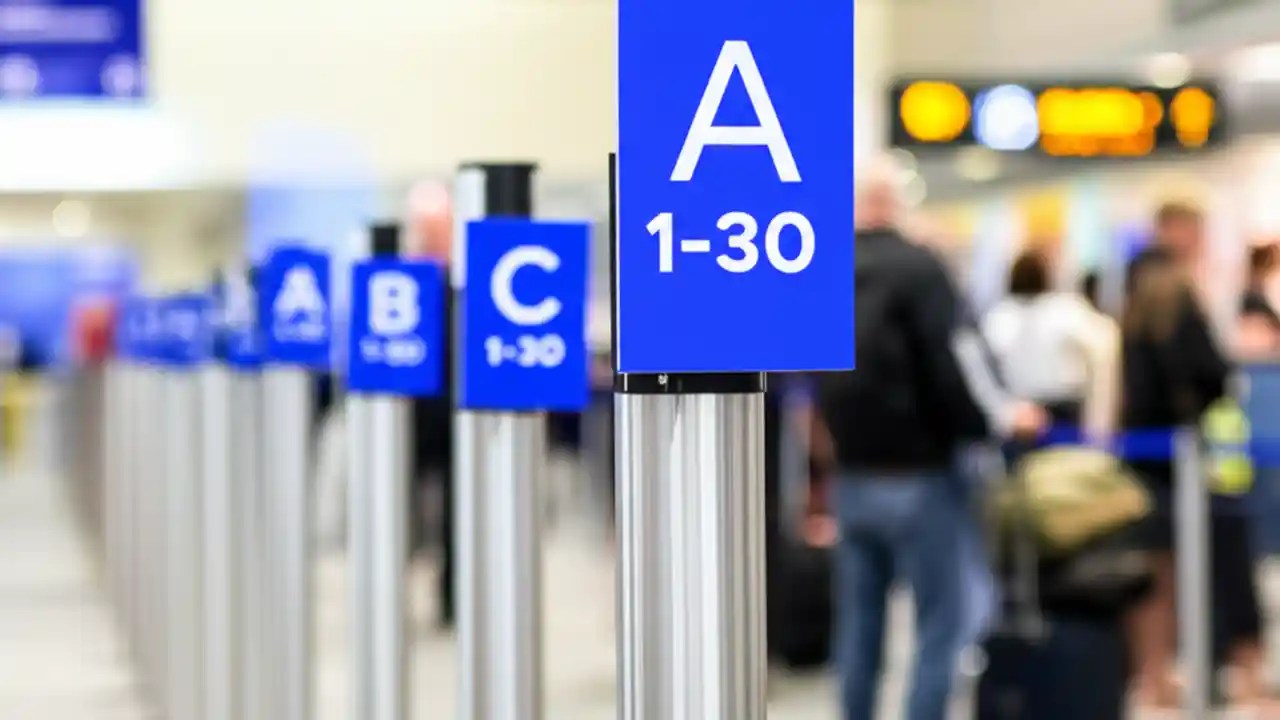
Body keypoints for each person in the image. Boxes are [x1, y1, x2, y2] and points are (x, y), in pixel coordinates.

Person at [811, 162, 1043, 720]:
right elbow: (953, 366)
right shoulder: (921, 270)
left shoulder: (821, 269)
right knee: (940, 623)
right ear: (895, 202)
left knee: (859, 624)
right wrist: (993, 423)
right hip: (922, 475)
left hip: (853, 475)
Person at [1122, 201, 1238, 709]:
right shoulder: (1177, 292)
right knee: (1178, 571)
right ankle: (1169, 676)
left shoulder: (1135, 293)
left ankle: (1154, 676)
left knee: (1153, 573)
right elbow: (1212, 372)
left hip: (1140, 452)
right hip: (1175, 454)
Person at [983, 252, 1119, 444]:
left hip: (1034, 410)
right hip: (1043, 409)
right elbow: (1104, 340)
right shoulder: (1064, 311)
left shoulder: (998, 317)